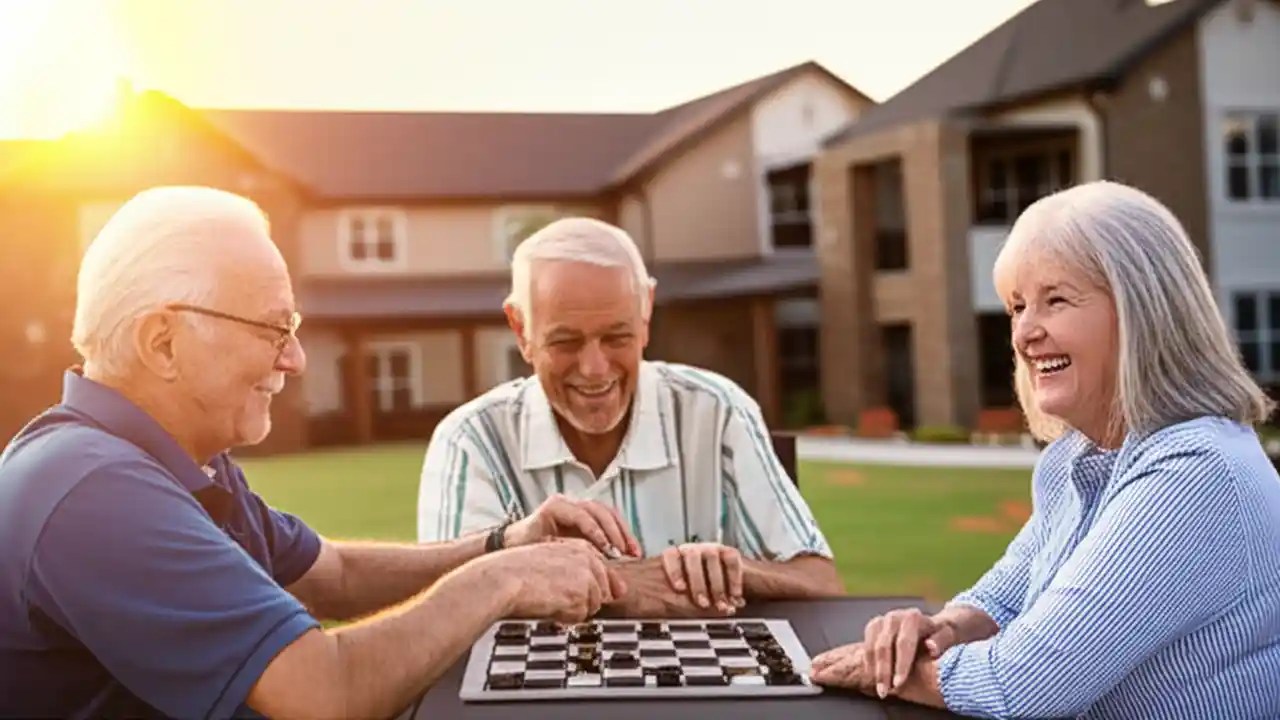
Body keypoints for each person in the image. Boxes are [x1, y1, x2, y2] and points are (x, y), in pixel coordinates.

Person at [0, 187, 632, 720]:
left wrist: (505, 543)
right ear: (162, 343)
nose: (295, 359)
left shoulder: (178, 460)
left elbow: (334, 577)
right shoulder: (93, 490)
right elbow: (323, 692)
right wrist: (506, 579)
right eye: (274, 329)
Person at [810, 181, 1280, 718]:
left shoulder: (1196, 476)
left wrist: (887, 672)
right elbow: (1011, 595)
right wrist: (938, 630)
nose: (1024, 332)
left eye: (1056, 300)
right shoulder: (1081, 459)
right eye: (1016, 307)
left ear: (1142, 312)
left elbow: (1026, 683)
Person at [417, 217, 843, 617]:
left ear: (646, 314)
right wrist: (629, 586)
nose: (594, 368)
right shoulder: (471, 438)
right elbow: (443, 615)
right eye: (565, 341)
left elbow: (821, 583)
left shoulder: (717, 410)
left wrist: (731, 571)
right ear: (521, 329)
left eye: (616, 337)